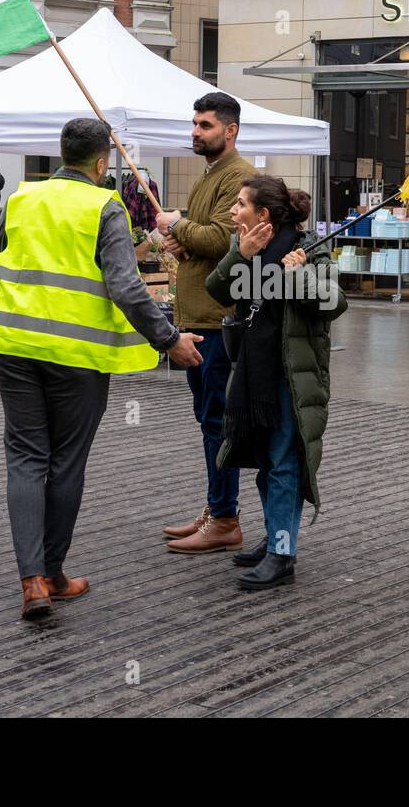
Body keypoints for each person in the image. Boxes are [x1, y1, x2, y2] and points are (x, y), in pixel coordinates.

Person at [0, 118, 205, 619]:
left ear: (61, 153)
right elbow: (127, 288)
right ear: (103, 163)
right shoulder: (104, 206)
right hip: (77, 356)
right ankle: (53, 573)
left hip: (15, 346)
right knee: (65, 463)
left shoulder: (21, 199)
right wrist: (169, 340)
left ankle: (32, 582)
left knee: (25, 459)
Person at [204, 175, 347, 588]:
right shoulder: (243, 244)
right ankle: (275, 534)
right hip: (254, 372)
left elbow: (334, 302)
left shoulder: (309, 250)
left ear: (262, 214)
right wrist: (240, 258)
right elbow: (218, 289)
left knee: (283, 463)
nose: (233, 211)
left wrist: (295, 275)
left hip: (291, 375)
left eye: (240, 204)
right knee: (266, 461)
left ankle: (283, 554)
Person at [156, 92, 255, 554]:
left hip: (218, 321)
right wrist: (182, 240)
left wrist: (176, 224)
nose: (195, 132)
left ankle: (225, 517)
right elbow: (206, 239)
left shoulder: (240, 176)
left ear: (230, 131)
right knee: (208, 419)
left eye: (205, 125)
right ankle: (217, 507)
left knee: (217, 420)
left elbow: (222, 238)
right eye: (194, 124)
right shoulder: (213, 173)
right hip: (199, 316)